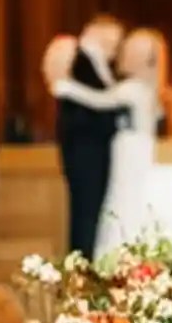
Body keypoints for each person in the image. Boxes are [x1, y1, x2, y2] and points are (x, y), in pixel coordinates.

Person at [53, 28, 166, 257]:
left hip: (132, 155)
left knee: (123, 204)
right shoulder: (144, 88)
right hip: (128, 154)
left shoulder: (134, 89)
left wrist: (65, 87)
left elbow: (101, 100)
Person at [50, 17, 124, 259]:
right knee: (86, 211)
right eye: (112, 38)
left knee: (92, 212)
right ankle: (81, 265)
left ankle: (85, 262)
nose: (116, 46)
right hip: (85, 150)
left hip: (94, 149)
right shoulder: (78, 59)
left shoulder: (98, 63)